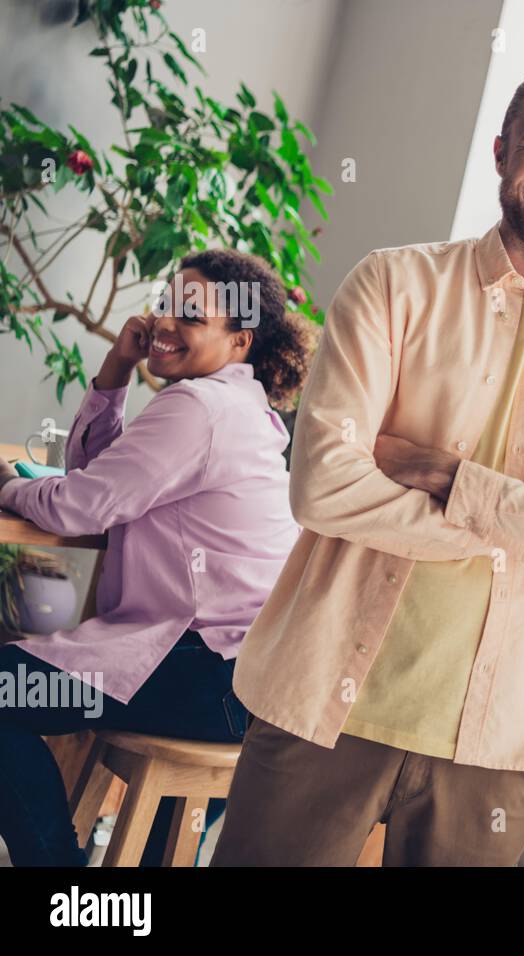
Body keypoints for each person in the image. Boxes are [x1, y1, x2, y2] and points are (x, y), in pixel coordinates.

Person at [211, 60, 524, 867]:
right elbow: (323, 489)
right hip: (324, 694)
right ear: (501, 152)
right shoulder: (391, 285)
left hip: (504, 738)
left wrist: (448, 477)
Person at [0, 248, 311, 866]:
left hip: (205, 672)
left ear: (240, 340)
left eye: (191, 316)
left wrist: (7, 483)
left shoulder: (199, 408)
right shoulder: (239, 406)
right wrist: (117, 367)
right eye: (167, 303)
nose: (166, 322)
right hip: (252, 683)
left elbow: (78, 506)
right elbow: (94, 483)